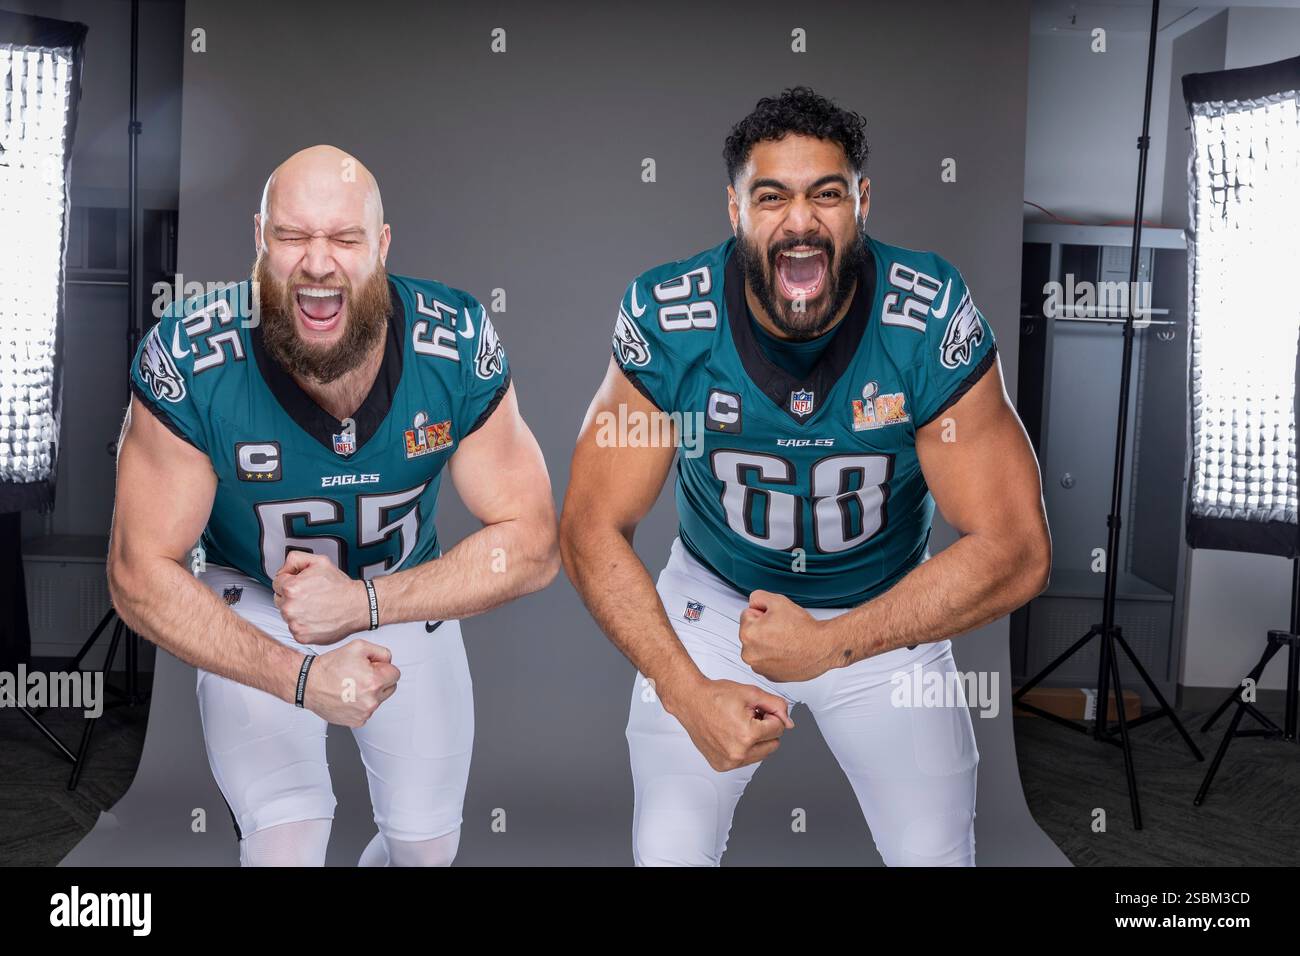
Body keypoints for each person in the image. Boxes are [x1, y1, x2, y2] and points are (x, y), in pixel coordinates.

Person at [560, 88, 1051, 866]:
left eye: (826, 193)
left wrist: (832, 643)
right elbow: (589, 524)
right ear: (734, 210)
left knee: (936, 857)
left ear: (862, 200)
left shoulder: (924, 316)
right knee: (668, 852)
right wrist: (687, 692)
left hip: (885, 610)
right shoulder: (671, 317)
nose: (800, 221)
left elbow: (1018, 547)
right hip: (715, 610)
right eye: (771, 196)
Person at [108, 145, 559, 866]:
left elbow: (532, 543)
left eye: (345, 238)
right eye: (292, 237)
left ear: (380, 247)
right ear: (260, 239)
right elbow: (137, 573)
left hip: (400, 593)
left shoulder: (453, 340)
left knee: (424, 847)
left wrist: (366, 604)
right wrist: (301, 677)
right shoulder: (192, 359)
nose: (318, 264)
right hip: (252, 598)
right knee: (285, 839)